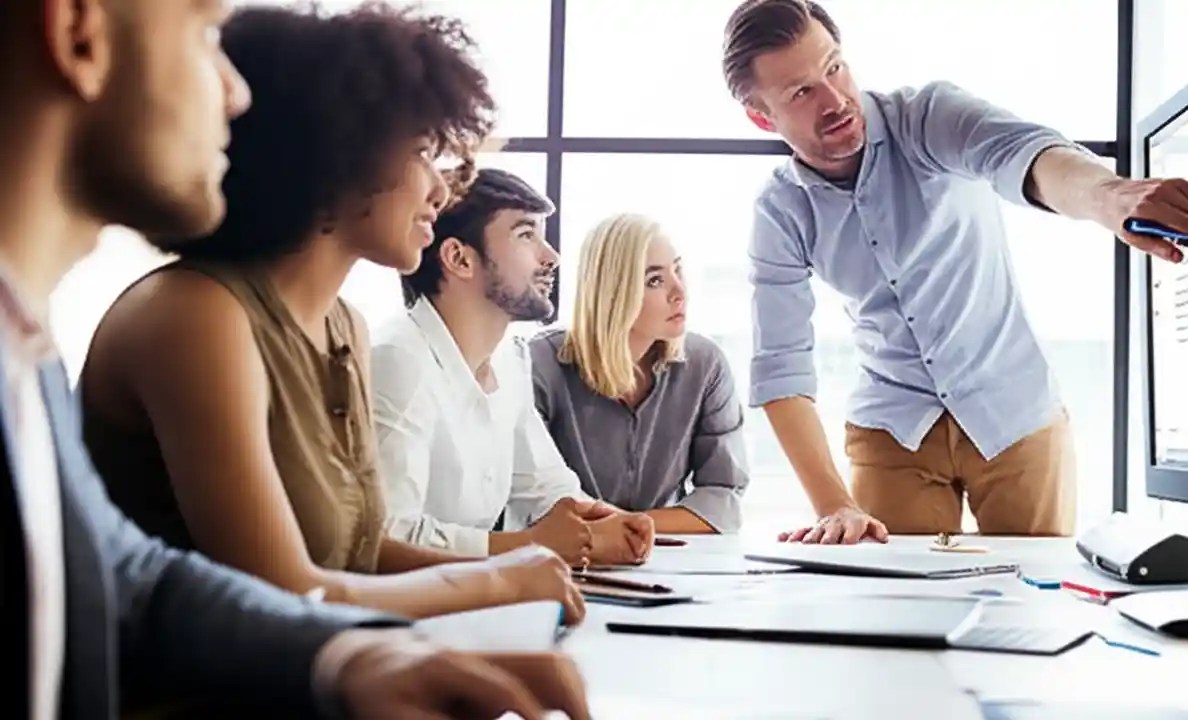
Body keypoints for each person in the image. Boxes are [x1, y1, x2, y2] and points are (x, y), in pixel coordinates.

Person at [0, 0, 587, 717]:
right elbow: (276, 581)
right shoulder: (188, 315)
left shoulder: (28, 348)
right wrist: (495, 576)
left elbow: (133, 580)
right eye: (203, 33)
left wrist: (352, 656)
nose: (236, 94)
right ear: (77, 32)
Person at [722, 0, 1188, 542]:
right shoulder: (780, 210)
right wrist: (833, 505)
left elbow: (1020, 153)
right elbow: (781, 366)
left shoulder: (927, 117)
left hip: (1013, 411)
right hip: (893, 429)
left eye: (835, 66)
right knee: (893, 607)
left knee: (1031, 598)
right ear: (761, 116)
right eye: (801, 92)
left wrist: (1109, 195)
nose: (835, 99)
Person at [375, 168, 656, 565]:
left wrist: (610, 522)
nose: (551, 256)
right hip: (403, 612)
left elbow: (545, 486)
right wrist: (530, 546)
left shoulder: (510, 360)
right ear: (459, 258)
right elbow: (387, 536)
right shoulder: (399, 361)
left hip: (469, 599)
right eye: (526, 235)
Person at [530, 213, 750, 534]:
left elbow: (723, 499)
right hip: (568, 559)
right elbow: (532, 498)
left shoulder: (705, 364)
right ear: (614, 293)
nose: (679, 292)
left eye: (678, 270)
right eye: (655, 280)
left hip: (670, 559)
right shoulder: (540, 364)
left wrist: (628, 527)